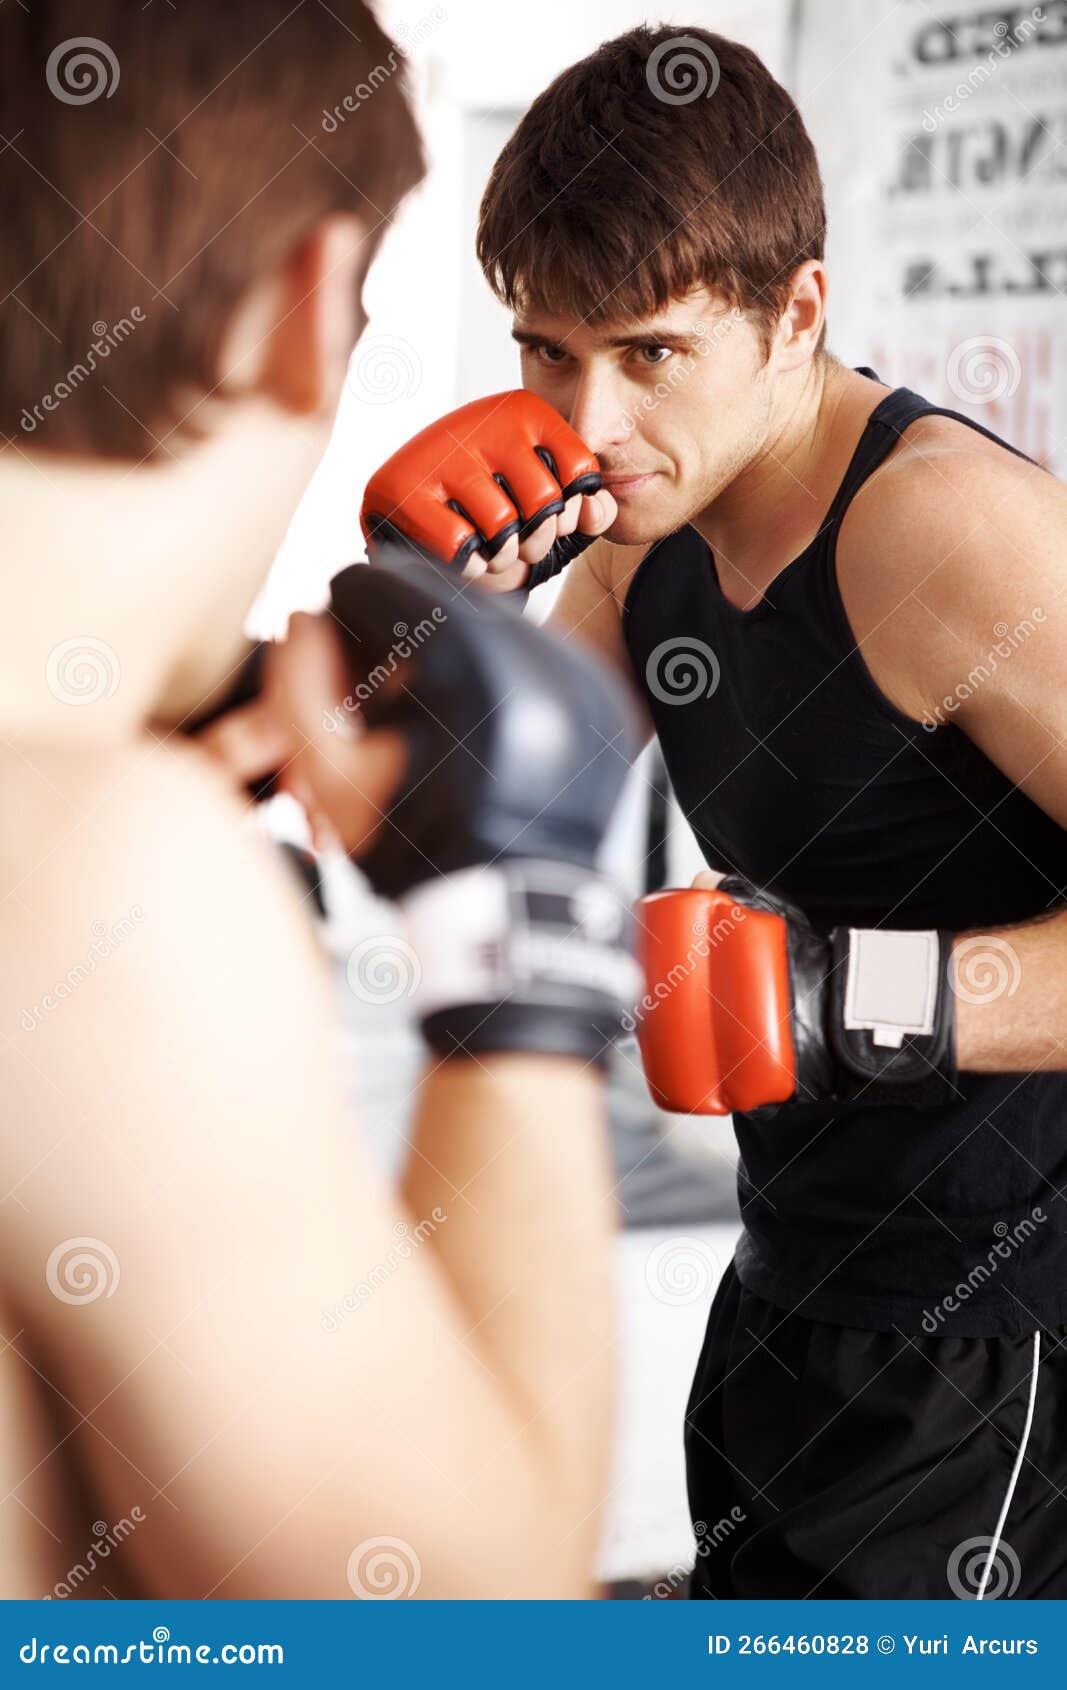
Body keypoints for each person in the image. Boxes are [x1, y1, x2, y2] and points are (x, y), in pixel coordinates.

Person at [367, 24, 1067, 1598]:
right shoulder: (637, 535)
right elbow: (478, 847)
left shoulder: (946, 532)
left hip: (1003, 1331)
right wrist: (446, 640)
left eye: (651, 354)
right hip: (796, 1272)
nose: (590, 418)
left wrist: (851, 998)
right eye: (548, 353)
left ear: (797, 311)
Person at [0, 2, 640, 1601]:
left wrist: (193, 734)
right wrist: (522, 929)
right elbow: (458, 1631)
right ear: (307, 297)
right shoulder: (96, 872)